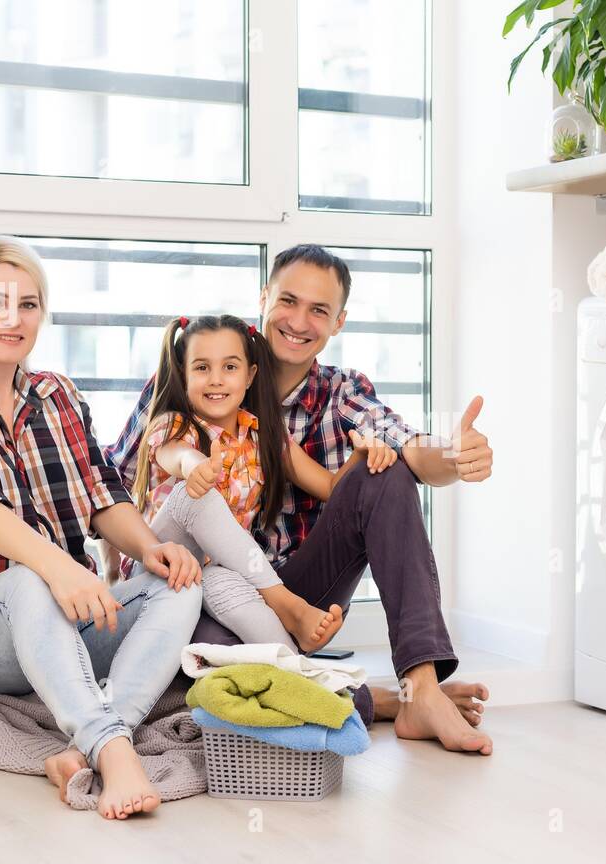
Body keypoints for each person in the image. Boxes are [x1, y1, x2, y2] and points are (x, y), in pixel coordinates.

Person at [106, 244, 496, 755]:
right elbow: (111, 484)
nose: (298, 321)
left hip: (291, 594)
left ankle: (420, 688)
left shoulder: (327, 398)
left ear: (338, 322)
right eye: (288, 301)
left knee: (385, 470)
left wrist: (453, 456)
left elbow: (405, 448)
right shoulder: (190, 378)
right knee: (215, 663)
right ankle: (374, 700)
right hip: (193, 587)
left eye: (319, 309)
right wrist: (104, 577)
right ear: (264, 298)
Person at [0, 235, 201, 821]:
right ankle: (116, 753)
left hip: (67, 621)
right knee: (28, 579)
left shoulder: (57, 394)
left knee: (181, 583)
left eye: (28, 304)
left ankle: (86, 745)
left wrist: (152, 548)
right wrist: (62, 569)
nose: (13, 319)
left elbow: (101, 494)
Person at [110, 312, 396, 650]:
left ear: (250, 376)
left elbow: (332, 489)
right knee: (197, 496)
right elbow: (173, 453)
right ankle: (288, 604)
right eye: (202, 368)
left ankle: (296, 667)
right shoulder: (174, 425)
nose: (216, 380)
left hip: (207, 574)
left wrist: (361, 456)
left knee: (239, 600)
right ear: (183, 375)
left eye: (230, 367)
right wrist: (193, 464)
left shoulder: (264, 436)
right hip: (156, 568)